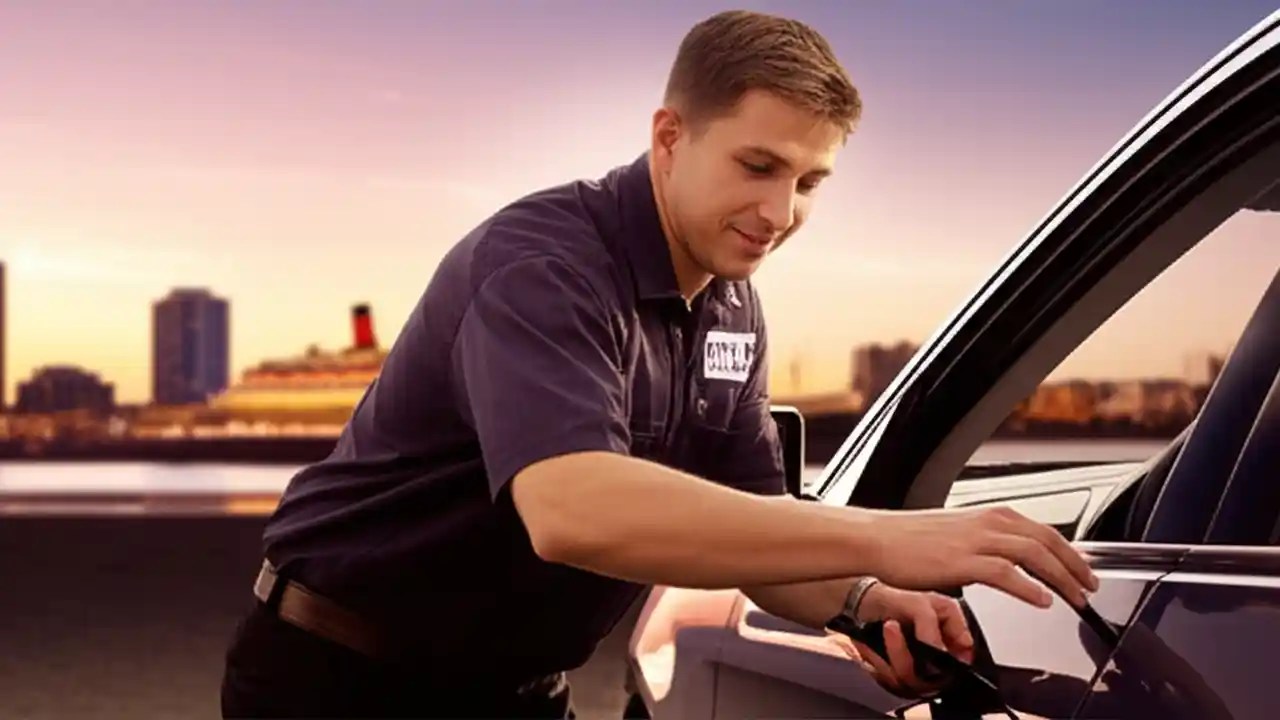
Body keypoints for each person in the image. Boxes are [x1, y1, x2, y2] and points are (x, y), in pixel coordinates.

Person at [220, 9, 1098, 719]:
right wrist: (889, 536)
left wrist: (865, 602)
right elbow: (571, 509)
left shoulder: (732, 304)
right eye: (758, 165)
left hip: (520, 691)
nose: (780, 212)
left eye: (809, 182)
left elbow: (759, 535)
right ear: (670, 136)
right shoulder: (545, 267)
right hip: (341, 679)